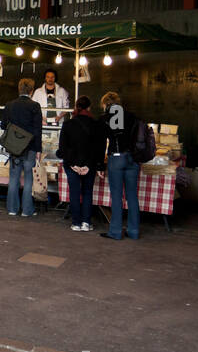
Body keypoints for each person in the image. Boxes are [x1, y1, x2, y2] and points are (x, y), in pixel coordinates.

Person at [58, 95, 107, 231]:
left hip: (72, 165)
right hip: (89, 165)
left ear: (76, 107)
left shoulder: (68, 124)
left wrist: (73, 164)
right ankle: (86, 222)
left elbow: (62, 148)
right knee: (87, 193)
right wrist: (92, 165)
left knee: (74, 193)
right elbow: (99, 148)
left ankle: (76, 223)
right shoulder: (97, 125)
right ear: (89, 107)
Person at [100, 91, 141, 240]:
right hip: (133, 159)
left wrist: (99, 166)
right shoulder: (132, 117)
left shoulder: (104, 118)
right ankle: (134, 231)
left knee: (117, 197)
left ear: (105, 104)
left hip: (116, 158)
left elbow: (100, 144)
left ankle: (116, 231)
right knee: (132, 196)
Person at [1, 77, 42, 218]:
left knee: (13, 178)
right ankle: (27, 211)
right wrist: (38, 150)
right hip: (30, 147)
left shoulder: (9, 105)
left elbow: (3, 125)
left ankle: (12, 209)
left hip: (14, 147)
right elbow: (38, 130)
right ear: (31, 91)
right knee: (29, 179)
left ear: (19, 89)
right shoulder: (35, 106)